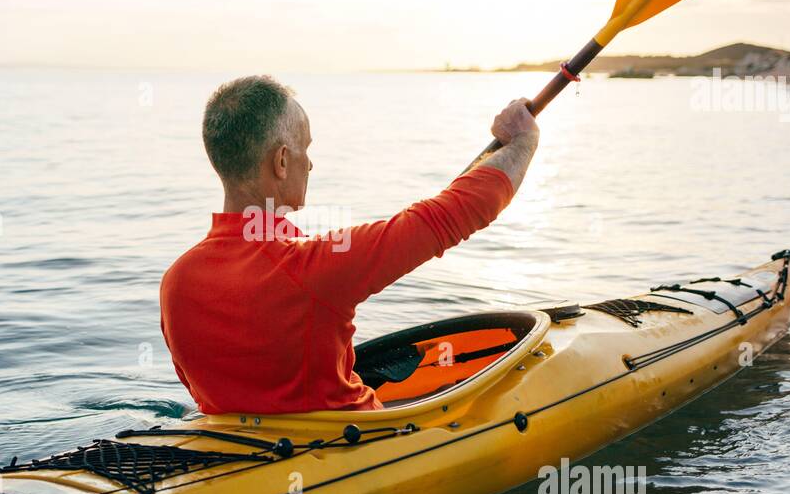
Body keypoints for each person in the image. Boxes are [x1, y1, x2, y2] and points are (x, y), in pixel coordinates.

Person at [160, 75, 539, 415]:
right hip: (345, 446)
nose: (309, 164)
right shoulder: (316, 265)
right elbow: (455, 213)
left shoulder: (176, 281)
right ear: (280, 161)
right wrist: (523, 140)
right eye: (305, 149)